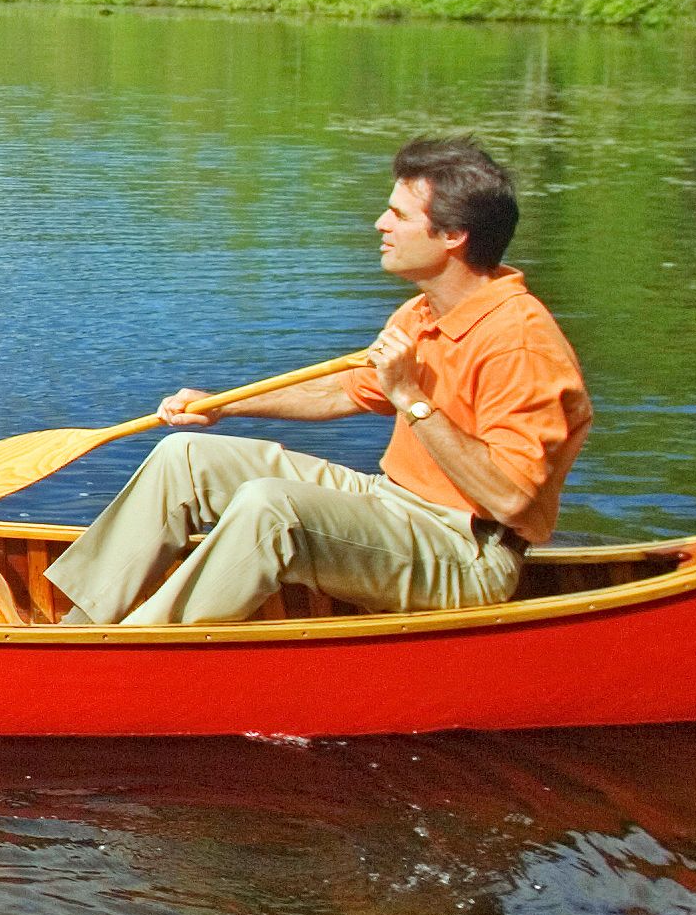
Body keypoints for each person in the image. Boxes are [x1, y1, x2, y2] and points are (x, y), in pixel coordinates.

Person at [44, 134, 589, 626]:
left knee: (270, 506)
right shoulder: (423, 312)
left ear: (452, 235)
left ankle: (136, 652)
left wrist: (412, 399)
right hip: (394, 503)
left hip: (466, 552)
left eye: (398, 214)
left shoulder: (520, 341)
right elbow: (345, 389)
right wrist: (225, 406)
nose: (380, 223)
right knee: (184, 455)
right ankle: (81, 626)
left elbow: (514, 500)